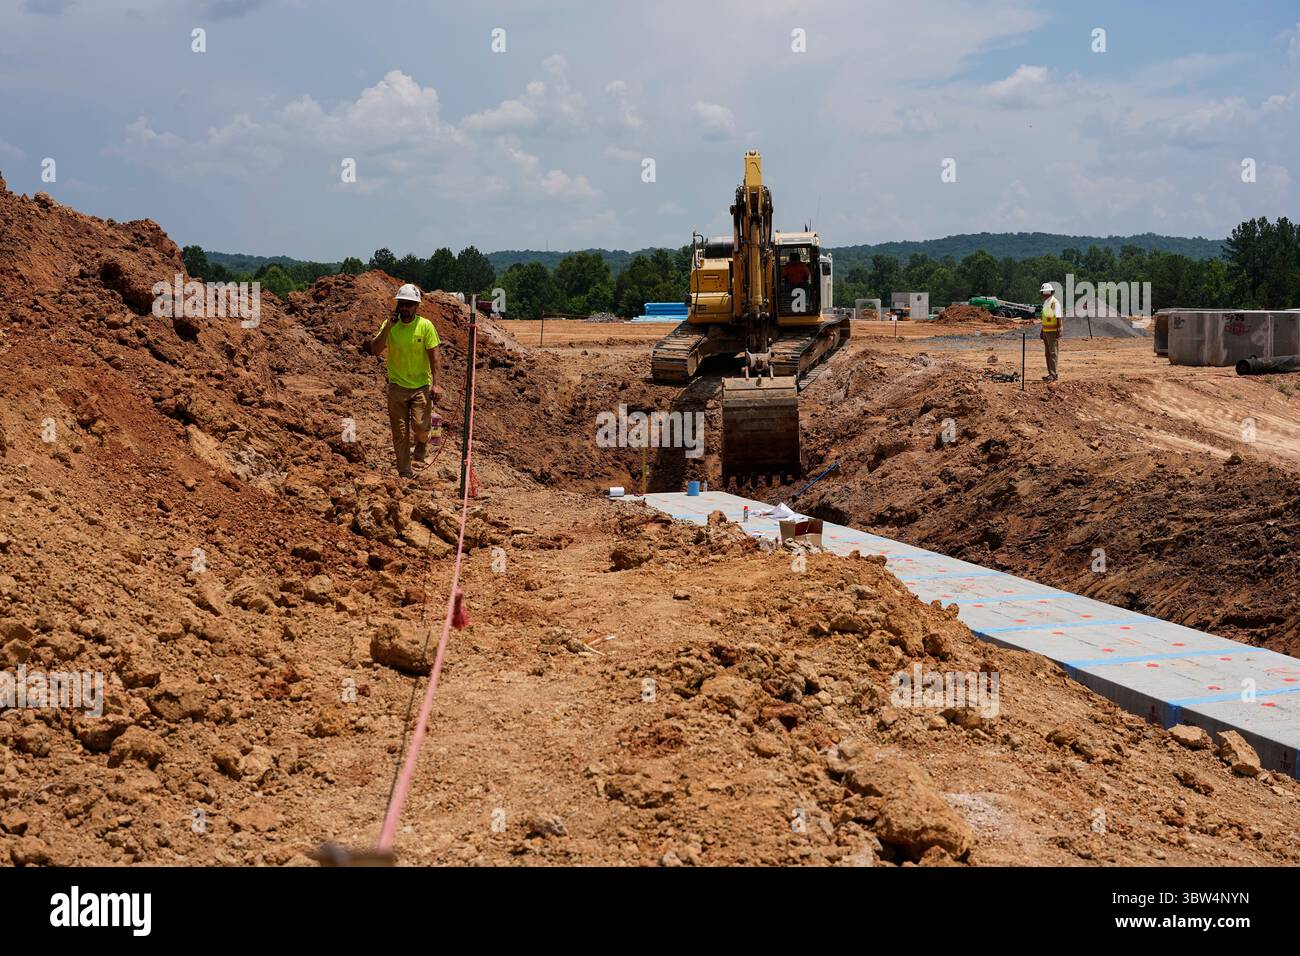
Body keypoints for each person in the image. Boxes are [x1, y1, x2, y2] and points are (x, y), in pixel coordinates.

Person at [369, 283, 443, 478]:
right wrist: (388, 328)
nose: (405, 308)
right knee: (400, 433)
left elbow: (434, 356)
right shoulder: (389, 326)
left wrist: (436, 383)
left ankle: (421, 442)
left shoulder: (425, 326)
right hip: (396, 387)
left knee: (420, 425)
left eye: (410, 304)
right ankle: (404, 470)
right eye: (402, 304)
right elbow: (375, 350)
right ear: (397, 305)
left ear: (416, 306)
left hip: (420, 386)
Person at [1038, 281, 1063, 382]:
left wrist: (1060, 328)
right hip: (1046, 331)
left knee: (1053, 353)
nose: (1042, 295)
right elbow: (1045, 318)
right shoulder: (1046, 303)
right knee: (1048, 353)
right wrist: (1042, 330)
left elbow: (1058, 317)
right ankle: (1050, 374)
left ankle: (1053, 374)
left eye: (1043, 292)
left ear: (1047, 292)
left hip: (1052, 331)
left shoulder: (1054, 302)